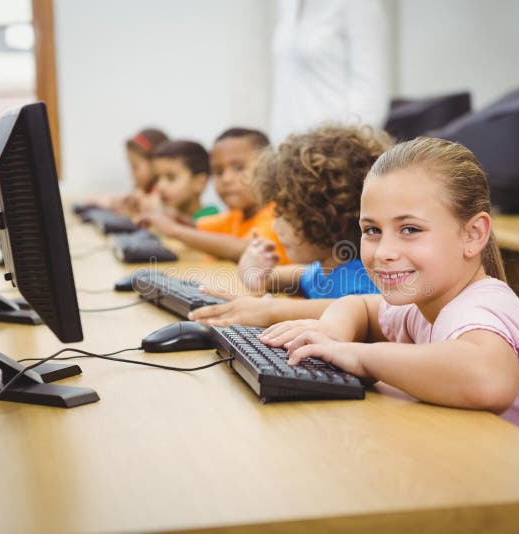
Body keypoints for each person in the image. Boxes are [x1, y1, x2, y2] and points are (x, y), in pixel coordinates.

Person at [260, 137, 519, 466]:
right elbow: (359, 306)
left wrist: (360, 356)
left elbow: (489, 379)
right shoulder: (427, 300)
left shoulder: (476, 309)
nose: (385, 252)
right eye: (372, 230)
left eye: (410, 230)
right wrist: (332, 333)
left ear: (473, 235)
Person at [190, 124, 392, 327]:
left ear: (321, 216)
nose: (276, 228)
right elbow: (269, 278)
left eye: (283, 215)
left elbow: (358, 309)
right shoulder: (323, 270)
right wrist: (252, 267)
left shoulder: (365, 279)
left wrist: (271, 310)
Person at [139, 128, 289, 263]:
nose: (226, 179)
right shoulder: (236, 215)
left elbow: (243, 249)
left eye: (238, 168)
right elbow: (200, 229)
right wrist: (179, 221)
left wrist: (173, 229)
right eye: (218, 172)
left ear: (269, 168)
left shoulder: (277, 215)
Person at [269, 0, 390, 144]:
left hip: (333, 151)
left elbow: (370, 91)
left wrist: (348, 149)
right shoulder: (287, 4)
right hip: (287, 149)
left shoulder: (359, 4)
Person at [89, 127, 169, 215]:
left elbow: (159, 207)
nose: (131, 173)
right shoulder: (144, 189)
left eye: (135, 166)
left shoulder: (162, 190)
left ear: (155, 165)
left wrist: (141, 203)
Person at [150, 140, 219, 224]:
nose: (160, 186)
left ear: (200, 183)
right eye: (157, 178)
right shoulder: (163, 218)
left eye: (171, 178)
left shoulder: (214, 221)